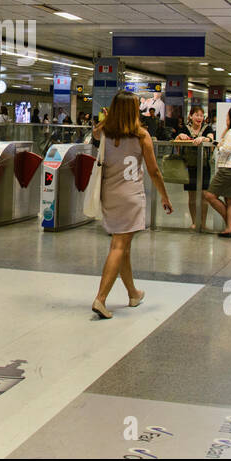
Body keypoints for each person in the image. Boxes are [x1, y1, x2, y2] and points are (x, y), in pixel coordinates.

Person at [90, 91, 172, 319]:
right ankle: (101, 298)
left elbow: (95, 133)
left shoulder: (105, 131)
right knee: (119, 246)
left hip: (109, 195)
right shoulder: (141, 135)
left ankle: (133, 293)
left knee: (123, 244)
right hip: (131, 197)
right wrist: (164, 196)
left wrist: (107, 118)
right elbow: (154, 171)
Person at [203, 108, 231, 238]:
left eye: (227, 117)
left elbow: (225, 150)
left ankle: (229, 221)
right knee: (230, 199)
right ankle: (229, 228)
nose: (226, 120)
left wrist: (218, 145)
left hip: (229, 168)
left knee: (210, 195)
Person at [176, 105, 216, 231]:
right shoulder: (185, 129)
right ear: (191, 116)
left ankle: (203, 223)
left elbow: (211, 138)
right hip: (189, 166)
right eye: (196, 115)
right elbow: (176, 141)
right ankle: (194, 222)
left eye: (201, 115)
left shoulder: (207, 128)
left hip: (204, 166)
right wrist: (179, 136)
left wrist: (204, 138)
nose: (199, 118)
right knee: (192, 195)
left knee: (204, 195)